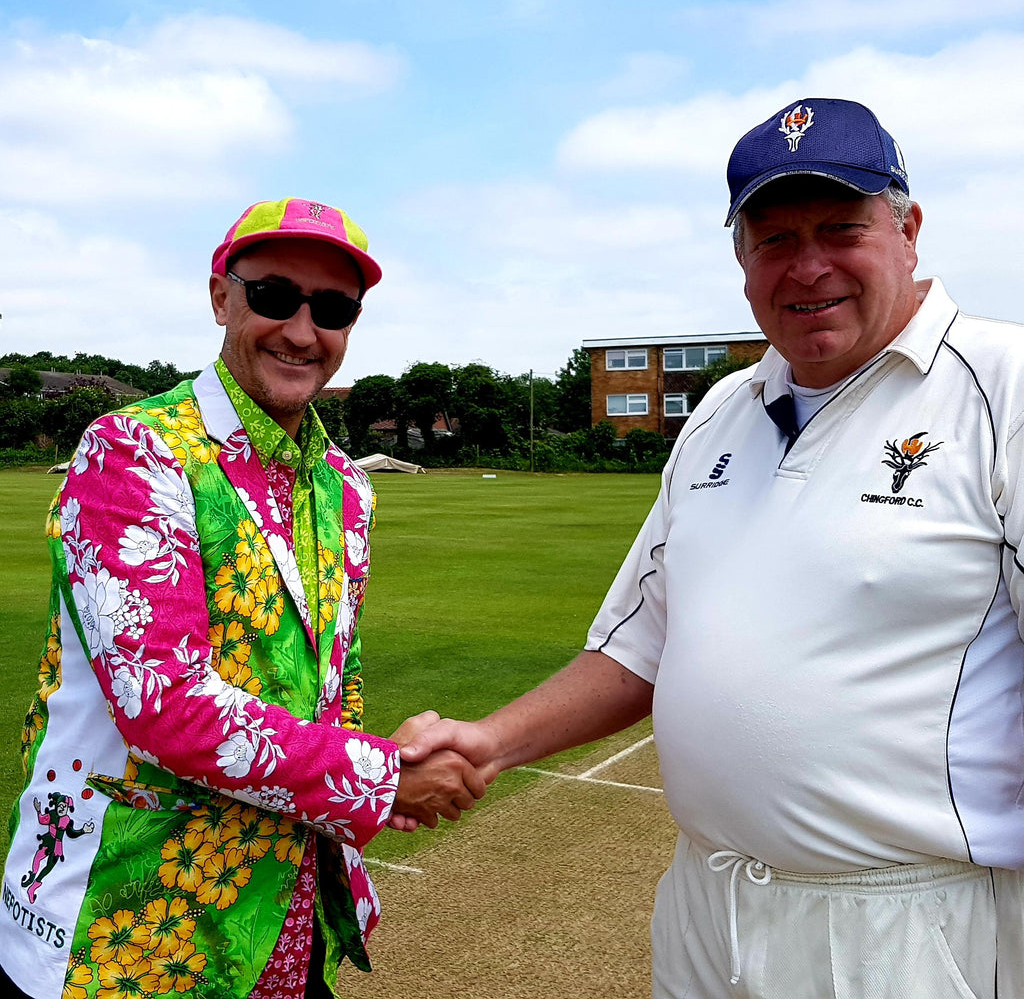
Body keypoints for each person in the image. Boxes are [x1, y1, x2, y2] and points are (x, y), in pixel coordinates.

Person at [399, 100, 1024, 998]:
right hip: (708, 906)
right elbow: (643, 642)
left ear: (908, 228)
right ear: (741, 261)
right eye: (773, 239)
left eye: (840, 228)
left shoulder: (1004, 390)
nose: (807, 266)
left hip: (910, 928)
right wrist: (490, 740)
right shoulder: (723, 412)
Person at [0, 198, 487, 999]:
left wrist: (378, 761)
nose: (302, 331)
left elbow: (336, 686)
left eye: (332, 309)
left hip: (286, 929)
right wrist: (381, 778)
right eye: (273, 296)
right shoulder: (136, 450)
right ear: (222, 297)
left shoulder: (344, 488)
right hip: (128, 941)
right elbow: (168, 708)